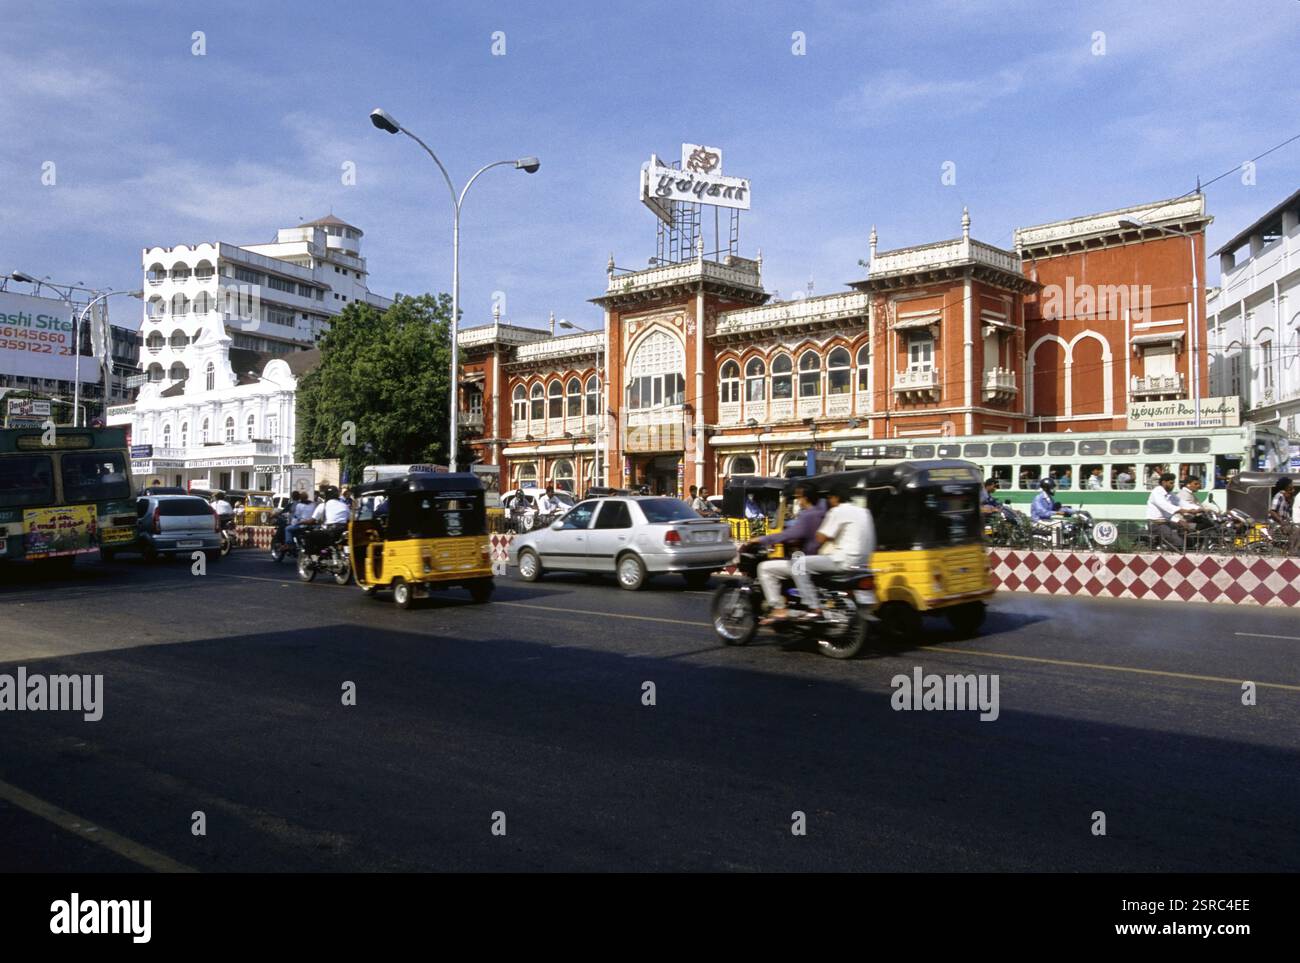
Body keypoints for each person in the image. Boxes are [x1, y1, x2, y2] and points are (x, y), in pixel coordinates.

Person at [789, 484, 876, 622]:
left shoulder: (837, 511)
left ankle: (813, 607)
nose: (829, 502)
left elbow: (820, 538)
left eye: (830, 499)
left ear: (835, 498)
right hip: (864, 563)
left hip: (844, 560)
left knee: (798, 562)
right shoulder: (865, 511)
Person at [751, 484, 827, 622]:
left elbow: (789, 534)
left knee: (764, 568)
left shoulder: (808, 515)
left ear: (806, 498)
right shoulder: (823, 512)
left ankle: (778, 608)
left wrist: (761, 539)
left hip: (804, 560)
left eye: (799, 498)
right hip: (819, 559)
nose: (798, 501)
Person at [1146, 472, 1186, 551]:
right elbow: (1166, 507)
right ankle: (1161, 548)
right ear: (1164, 482)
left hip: (1166, 522)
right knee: (1179, 543)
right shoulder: (1157, 492)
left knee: (1189, 528)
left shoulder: (1169, 494)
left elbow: (1181, 502)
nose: (1173, 485)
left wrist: (1198, 509)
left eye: (1173, 483)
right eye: (1171, 483)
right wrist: (1182, 511)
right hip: (1157, 524)